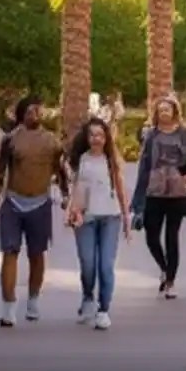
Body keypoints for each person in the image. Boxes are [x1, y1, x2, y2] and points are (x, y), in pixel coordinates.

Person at [0, 95, 69, 327]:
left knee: (37, 254)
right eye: (30, 110)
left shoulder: (52, 141)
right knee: (10, 251)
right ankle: (8, 308)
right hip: (13, 203)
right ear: (22, 114)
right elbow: (0, 169)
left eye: (38, 110)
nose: (35, 114)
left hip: (40, 203)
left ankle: (33, 299)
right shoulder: (10, 140)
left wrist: (65, 195)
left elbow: (61, 170)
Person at [130, 96, 186, 301]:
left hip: (176, 188)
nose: (164, 113)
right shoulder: (151, 135)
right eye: (160, 110)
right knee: (152, 235)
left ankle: (170, 281)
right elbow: (144, 164)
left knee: (172, 235)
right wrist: (137, 197)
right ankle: (164, 266)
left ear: (175, 111)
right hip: (155, 188)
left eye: (167, 109)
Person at [66, 117, 130, 330]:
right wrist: (72, 210)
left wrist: (126, 218)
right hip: (86, 218)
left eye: (101, 135)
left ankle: (104, 310)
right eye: (92, 135)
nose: (96, 139)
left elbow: (120, 188)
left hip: (110, 217)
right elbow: (71, 189)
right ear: (86, 137)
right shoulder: (79, 160)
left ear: (106, 138)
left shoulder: (111, 160)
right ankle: (87, 297)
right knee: (88, 263)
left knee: (105, 266)